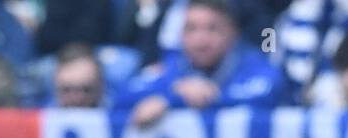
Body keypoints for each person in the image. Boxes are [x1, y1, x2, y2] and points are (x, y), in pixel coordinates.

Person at [119, 0, 284, 127]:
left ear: (232, 32)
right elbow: (123, 95)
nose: (201, 40)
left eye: (212, 29)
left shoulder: (254, 64)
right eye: (191, 29)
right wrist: (173, 94)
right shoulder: (174, 66)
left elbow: (268, 91)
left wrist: (210, 95)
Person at [50, 42, 106, 107]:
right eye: (66, 90)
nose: (76, 99)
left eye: (86, 89)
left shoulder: (117, 115)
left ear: (101, 88)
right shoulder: (41, 114)